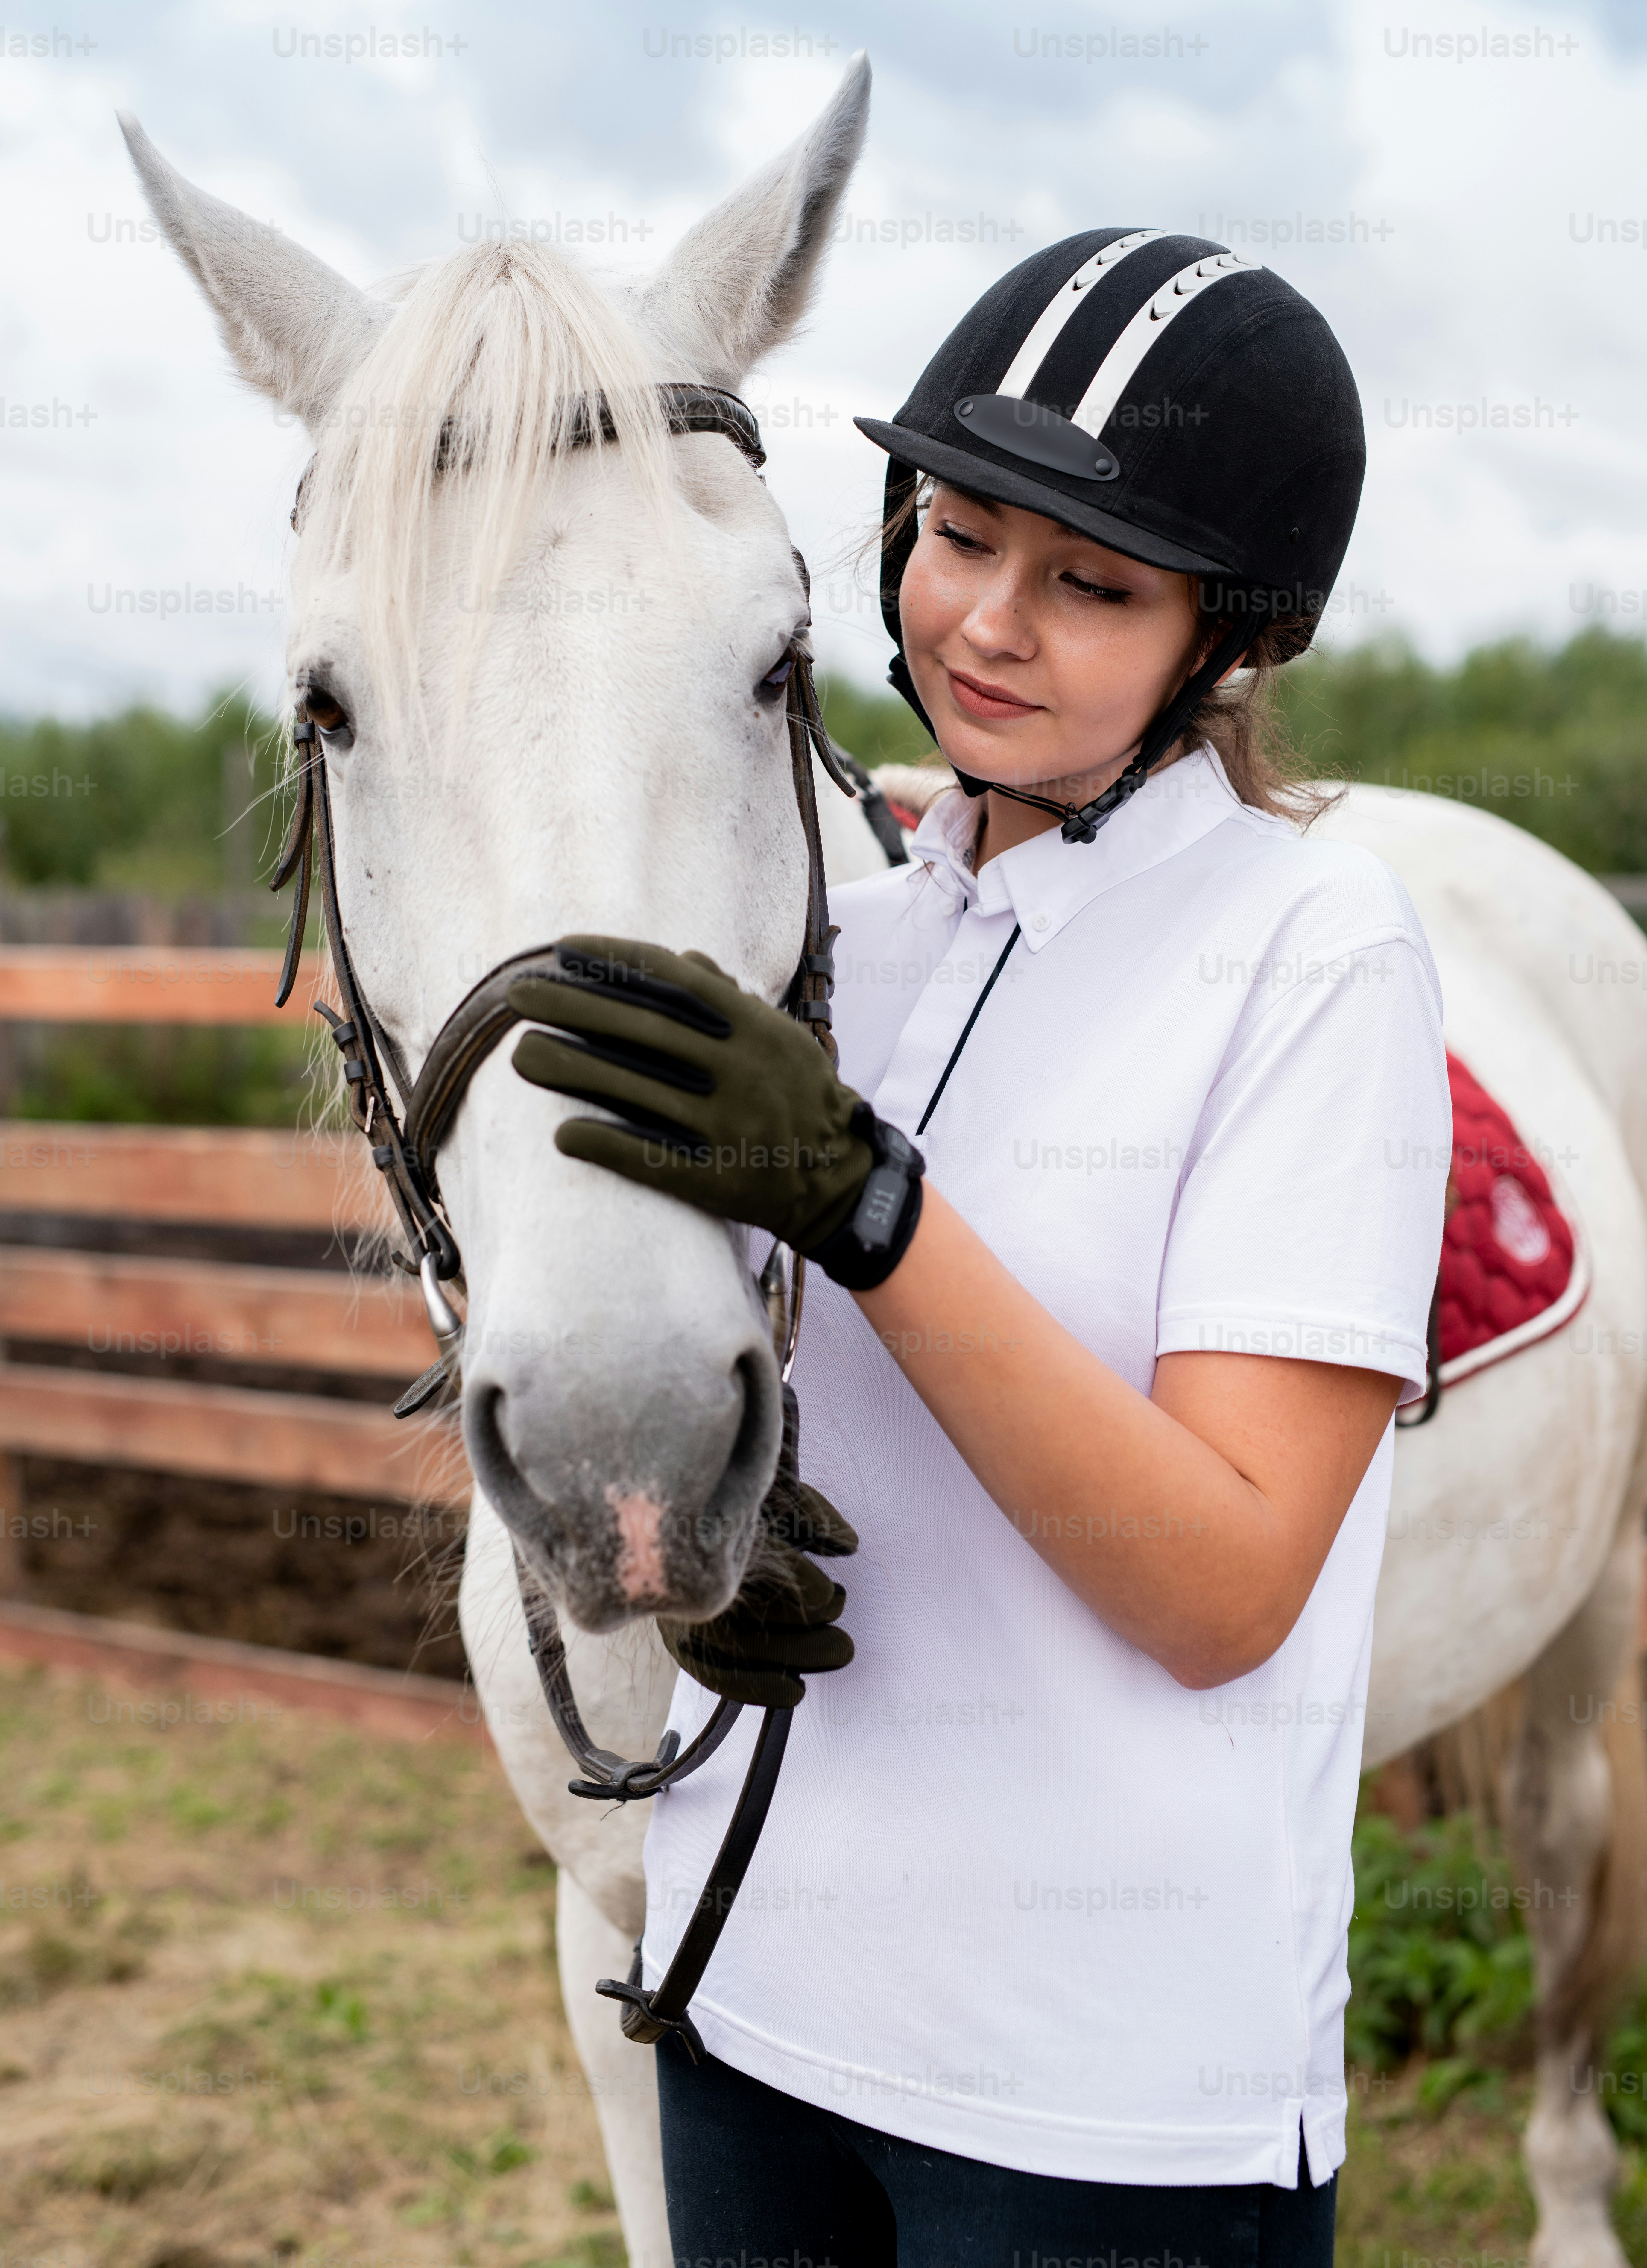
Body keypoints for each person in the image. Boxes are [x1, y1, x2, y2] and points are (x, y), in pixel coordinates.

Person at [508, 229, 1452, 2268]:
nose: (990, 624)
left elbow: (1218, 1589)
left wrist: (871, 1208)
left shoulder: (1317, 954)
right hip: (748, 2002)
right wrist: (707, 1566)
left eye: (1094, 585)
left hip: (1094, 2105)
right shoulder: (864, 929)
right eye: (957, 535)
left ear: (1236, 633)